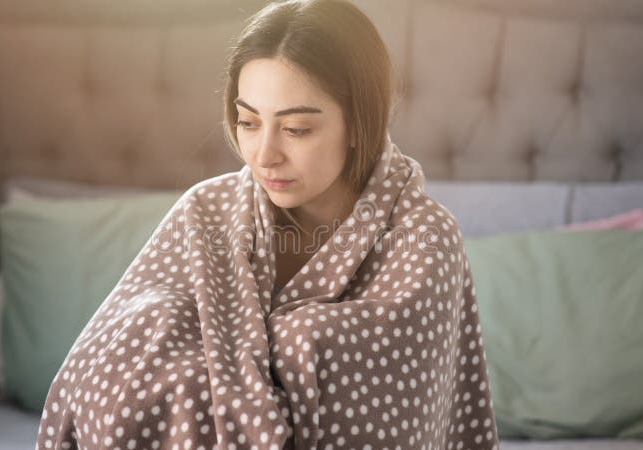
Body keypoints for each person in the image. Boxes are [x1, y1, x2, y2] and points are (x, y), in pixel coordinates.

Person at [35, 1, 500, 449]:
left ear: (360, 123)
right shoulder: (206, 210)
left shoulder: (425, 239)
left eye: (296, 129)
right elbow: (100, 371)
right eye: (248, 122)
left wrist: (270, 350)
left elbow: (398, 421)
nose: (264, 155)